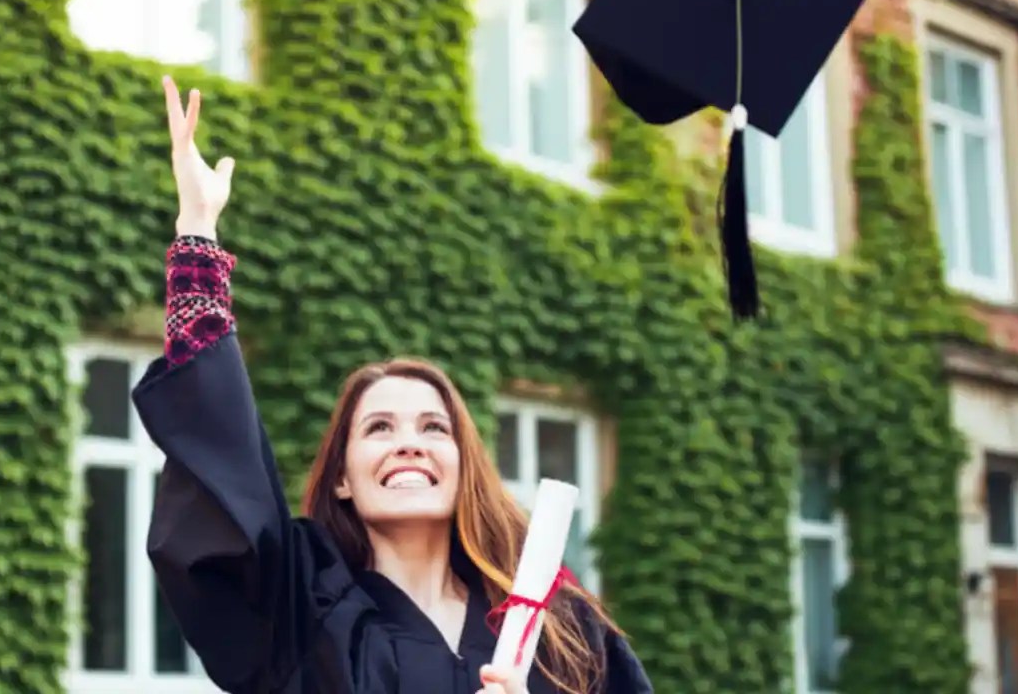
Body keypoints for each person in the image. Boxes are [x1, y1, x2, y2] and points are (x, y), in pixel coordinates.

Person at [132, 75, 656, 694]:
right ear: (342, 478)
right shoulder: (301, 608)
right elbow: (225, 462)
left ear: (465, 465)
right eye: (379, 427)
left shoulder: (560, 631)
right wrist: (197, 229)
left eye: (434, 427)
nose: (409, 443)